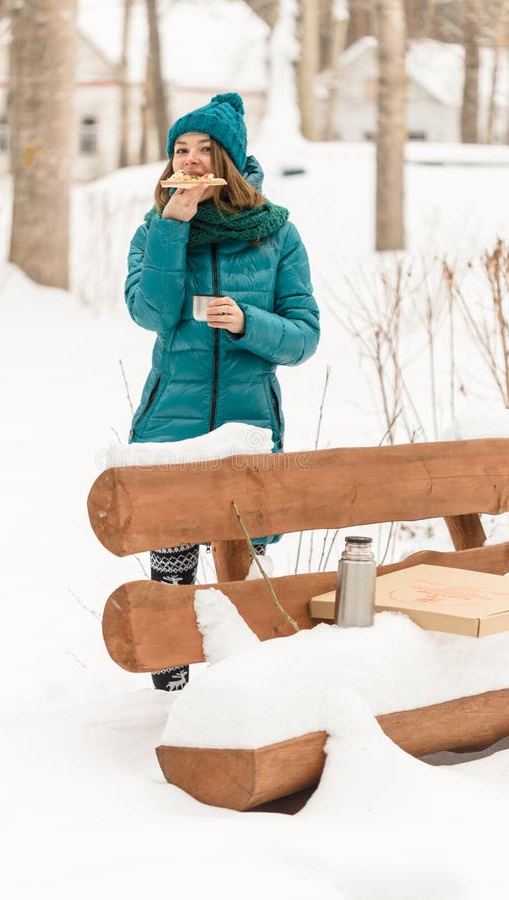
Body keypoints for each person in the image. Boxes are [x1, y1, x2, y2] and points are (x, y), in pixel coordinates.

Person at [124, 92, 320, 691]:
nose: (187, 160)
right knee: (172, 580)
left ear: (228, 162)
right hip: (171, 424)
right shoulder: (156, 228)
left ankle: (239, 697)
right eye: (179, 150)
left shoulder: (276, 235)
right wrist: (172, 227)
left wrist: (245, 322)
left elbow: (303, 338)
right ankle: (173, 702)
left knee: (241, 583)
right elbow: (150, 312)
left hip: (246, 422)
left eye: (202, 151)